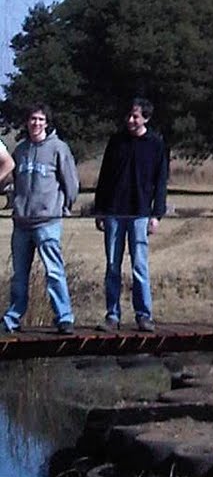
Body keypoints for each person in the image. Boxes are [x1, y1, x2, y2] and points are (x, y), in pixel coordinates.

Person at [1, 103, 78, 334]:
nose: (36, 123)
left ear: (47, 123)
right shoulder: (21, 150)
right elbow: (11, 179)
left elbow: (71, 183)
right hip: (22, 222)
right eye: (32, 119)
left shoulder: (58, 148)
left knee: (54, 272)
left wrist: (64, 207)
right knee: (19, 275)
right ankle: (13, 317)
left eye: (40, 120)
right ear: (27, 122)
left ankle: (64, 317)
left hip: (48, 221)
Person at [94, 97, 167, 333]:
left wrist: (157, 214)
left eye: (136, 116)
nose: (131, 120)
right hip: (114, 212)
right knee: (113, 266)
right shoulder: (116, 142)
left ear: (145, 118)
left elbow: (161, 182)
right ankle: (112, 316)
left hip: (140, 213)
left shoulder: (156, 144)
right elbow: (104, 177)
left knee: (139, 266)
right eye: (129, 116)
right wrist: (100, 209)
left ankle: (144, 315)